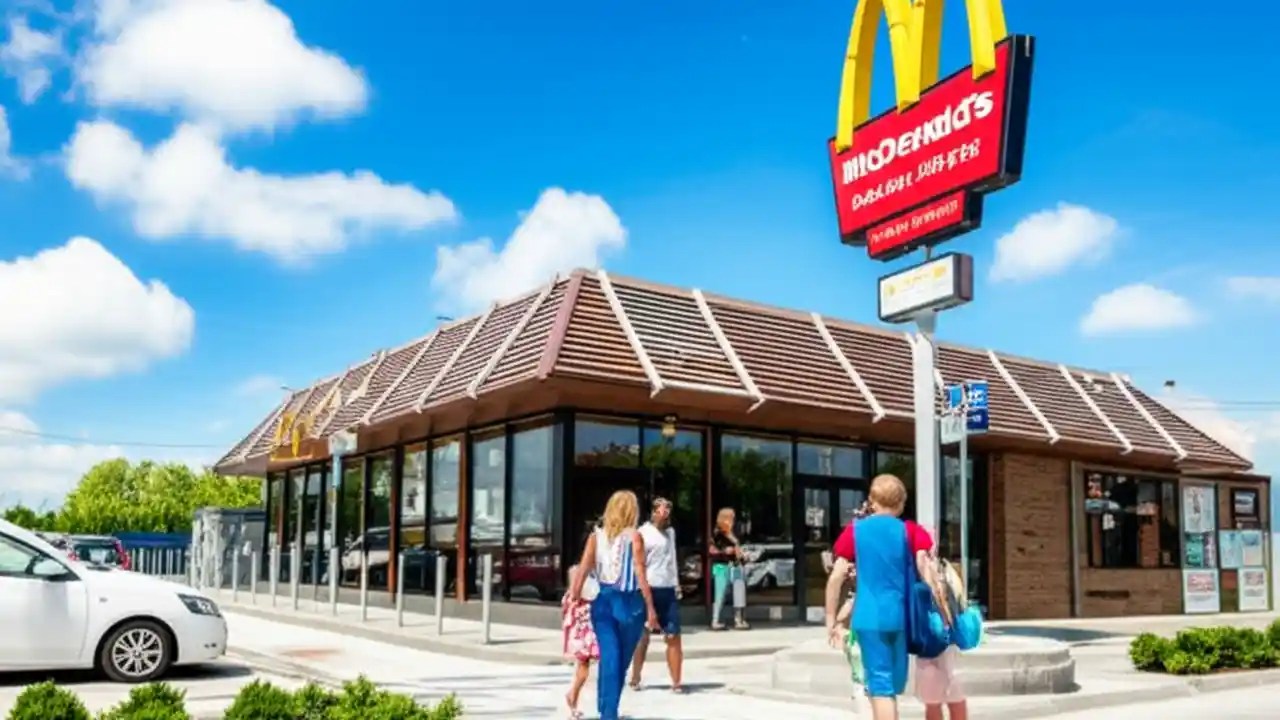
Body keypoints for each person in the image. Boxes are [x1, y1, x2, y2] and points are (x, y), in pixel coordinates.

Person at [826, 475, 934, 720]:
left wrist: (831, 620)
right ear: (902, 504)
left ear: (872, 501)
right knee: (892, 686)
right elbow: (926, 569)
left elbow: (836, 577)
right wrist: (944, 611)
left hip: (868, 618)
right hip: (900, 618)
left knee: (881, 687)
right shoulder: (910, 530)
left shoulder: (856, 530)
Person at [567, 490, 660, 720]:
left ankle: (606, 710)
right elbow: (640, 574)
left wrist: (574, 596)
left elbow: (583, 568)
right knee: (620, 662)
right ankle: (608, 712)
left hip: (604, 602)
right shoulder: (635, 537)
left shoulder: (595, 536)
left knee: (610, 658)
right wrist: (650, 607)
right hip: (630, 604)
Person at [629, 497, 684, 692]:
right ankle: (635, 676)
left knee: (673, 634)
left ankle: (676, 681)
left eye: (669, 509)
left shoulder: (671, 533)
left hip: (667, 586)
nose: (666, 513)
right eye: (662, 509)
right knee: (643, 635)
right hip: (648, 586)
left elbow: (673, 559)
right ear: (654, 512)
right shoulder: (643, 533)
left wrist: (676, 584)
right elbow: (639, 563)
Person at [915, 559, 968, 720]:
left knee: (936, 697)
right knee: (952, 693)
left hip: (932, 640)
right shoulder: (946, 570)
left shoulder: (928, 570)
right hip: (943, 639)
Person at [561, 559, 599, 720]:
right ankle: (572, 696)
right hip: (583, 631)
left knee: (584, 666)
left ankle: (574, 700)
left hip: (586, 629)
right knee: (584, 666)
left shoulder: (592, 572)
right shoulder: (581, 573)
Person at [708, 507, 749, 630]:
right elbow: (711, 550)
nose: (732, 521)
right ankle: (715, 620)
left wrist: (742, 554)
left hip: (736, 564)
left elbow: (737, 549)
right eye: (730, 518)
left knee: (739, 591)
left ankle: (739, 619)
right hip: (722, 565)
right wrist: (724, 551)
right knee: (720, 593)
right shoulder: (717, 534)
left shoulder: (733, 534)